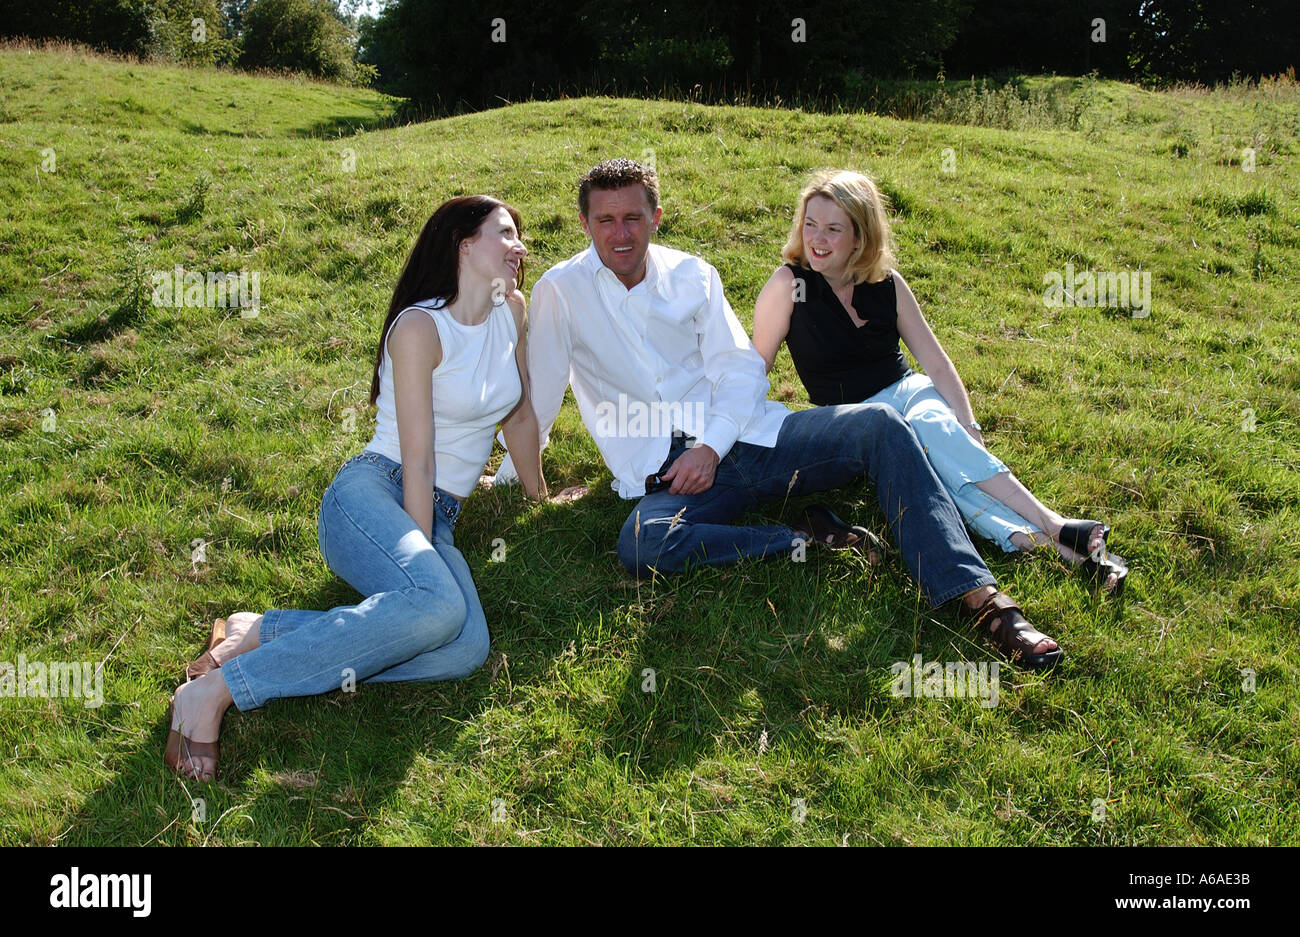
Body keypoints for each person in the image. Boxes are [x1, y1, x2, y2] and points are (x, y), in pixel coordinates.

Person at [494, 158, 1064, 670]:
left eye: (633, 218)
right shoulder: (560, 292)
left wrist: (711, 447)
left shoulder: (693, 275)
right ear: (585, 224)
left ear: (656, 216)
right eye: (605, 220)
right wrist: (521, 483)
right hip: (662, 470)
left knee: (882, 426)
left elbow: (741, 371)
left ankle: (985, 604)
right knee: (642, 543)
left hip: (750, 436)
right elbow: (539, 396)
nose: (621, 234)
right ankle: (803, 536)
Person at [165, 195, 547, 781]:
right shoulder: (420, 327)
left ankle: (263, 631)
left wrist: (538, 497)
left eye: (519, 236)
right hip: (375, 494)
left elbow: (518, 416)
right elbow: (417, 461)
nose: (519, 246)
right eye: (505, 233)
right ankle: (215, 693)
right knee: (436, 606)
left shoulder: (512, 310)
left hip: (439, 510)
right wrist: (419, 573)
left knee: (463, 649)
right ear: (463, 244)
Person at [750, 169, 1128, 595]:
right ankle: (1061, 534)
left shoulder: (887, 285)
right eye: (811, 224)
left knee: (936, 429)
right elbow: (754, 370)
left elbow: (936, 363)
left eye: (834, 229)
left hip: (909, 392)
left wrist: (969, 429)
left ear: (860, 237)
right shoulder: (789, 285)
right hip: (856, 420)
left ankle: (1045, 540)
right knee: (935, 449)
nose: (817, 238)